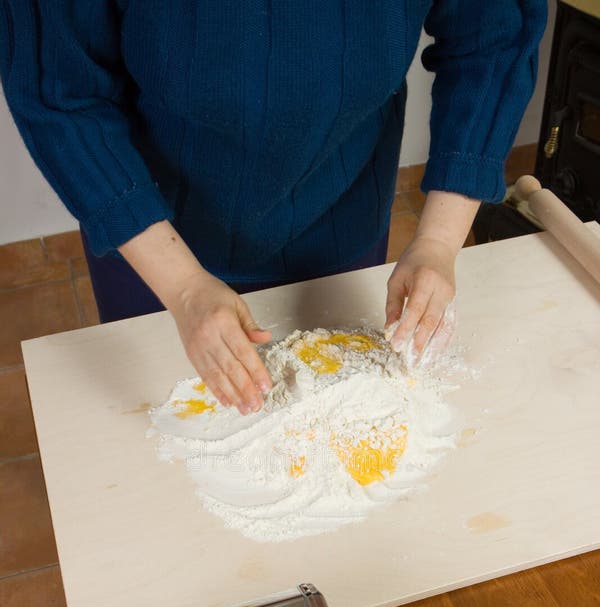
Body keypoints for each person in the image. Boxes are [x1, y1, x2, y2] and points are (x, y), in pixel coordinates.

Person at [1, 2, 546, 415]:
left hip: (342, 210)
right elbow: (60, 90)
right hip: (149, 232)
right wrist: (183, 286)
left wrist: (438, 241)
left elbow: (494, 38)